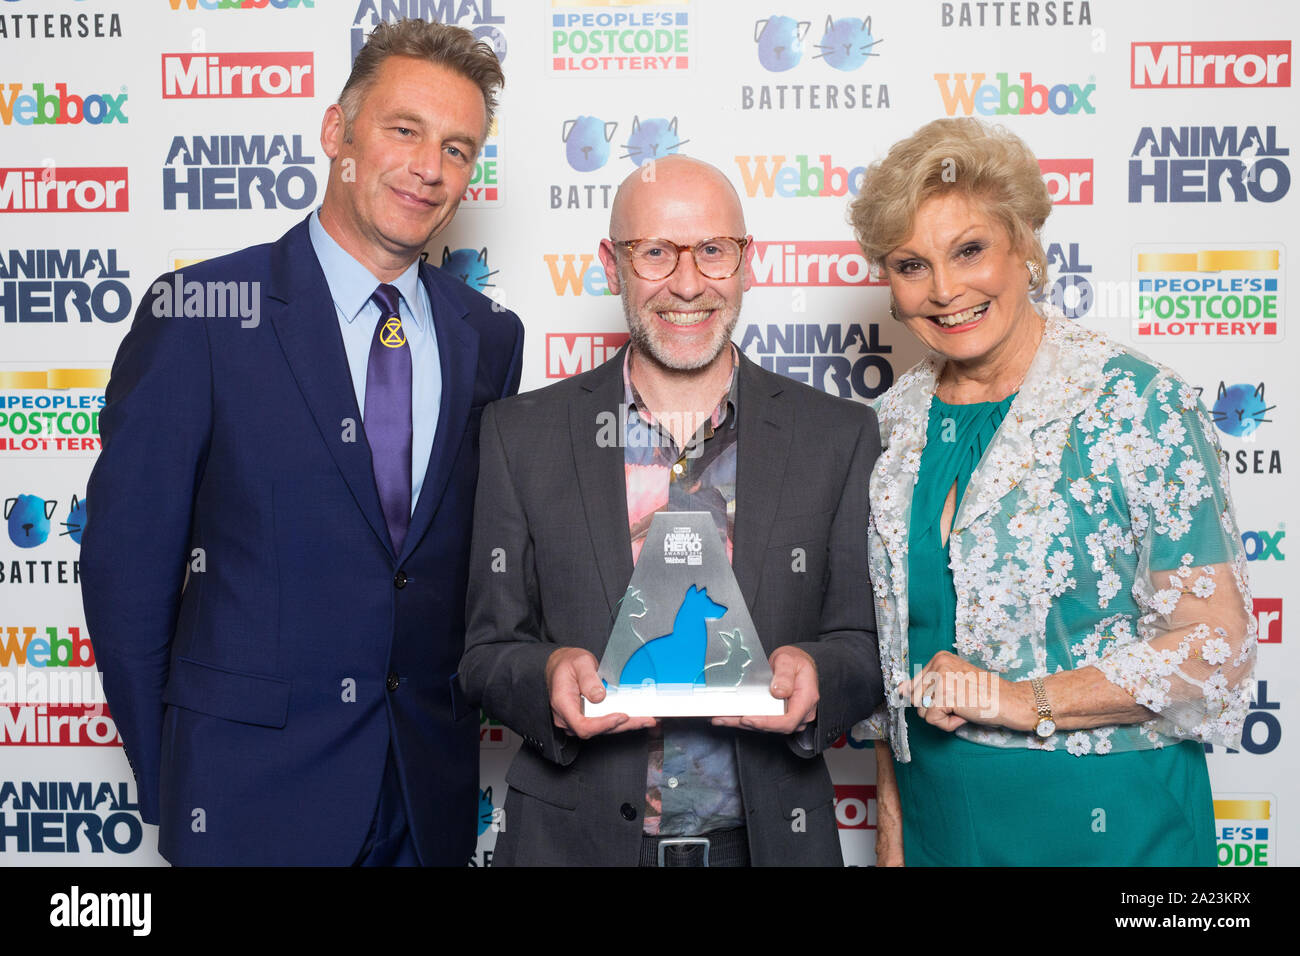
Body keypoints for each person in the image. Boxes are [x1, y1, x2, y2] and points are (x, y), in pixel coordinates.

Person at [80, 20, 523, 866]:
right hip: (246, 804)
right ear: (335, 132)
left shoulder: (488, 335)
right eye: (404, 129)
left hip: (424, 800)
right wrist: (178, 775)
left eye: (458, 148)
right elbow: (124, 573)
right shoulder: (202, 314)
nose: (430, 168)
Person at [849, 118, 1256, 866]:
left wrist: (1023, 698)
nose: (945, 290)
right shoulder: (887, 428)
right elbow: (890, 662)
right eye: (912, 265)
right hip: (945, 827)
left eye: (969, 250)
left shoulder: (1137, 405)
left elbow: (1213, 648)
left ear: (1026, 247)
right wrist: (894, 836)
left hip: (1116, 830)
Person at [460, 156, 882, 866]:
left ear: (749, 262)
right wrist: (546, 674)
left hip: (772, 843)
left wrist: (817, 672)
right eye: (655, 251)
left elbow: (864, 642)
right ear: (611, 264)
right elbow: (484, 653)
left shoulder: (838, 435)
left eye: (713, 250)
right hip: (572, 844)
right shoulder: (519, 434)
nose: (688, 284)